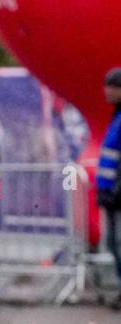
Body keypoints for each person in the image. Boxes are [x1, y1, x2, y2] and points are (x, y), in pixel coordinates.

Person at [96, 68, 121, 309]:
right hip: (111, 195)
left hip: (117, 196)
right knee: (114, 243)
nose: (107, 91)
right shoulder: (116, 117)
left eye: (112, 86)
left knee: (119, 243)